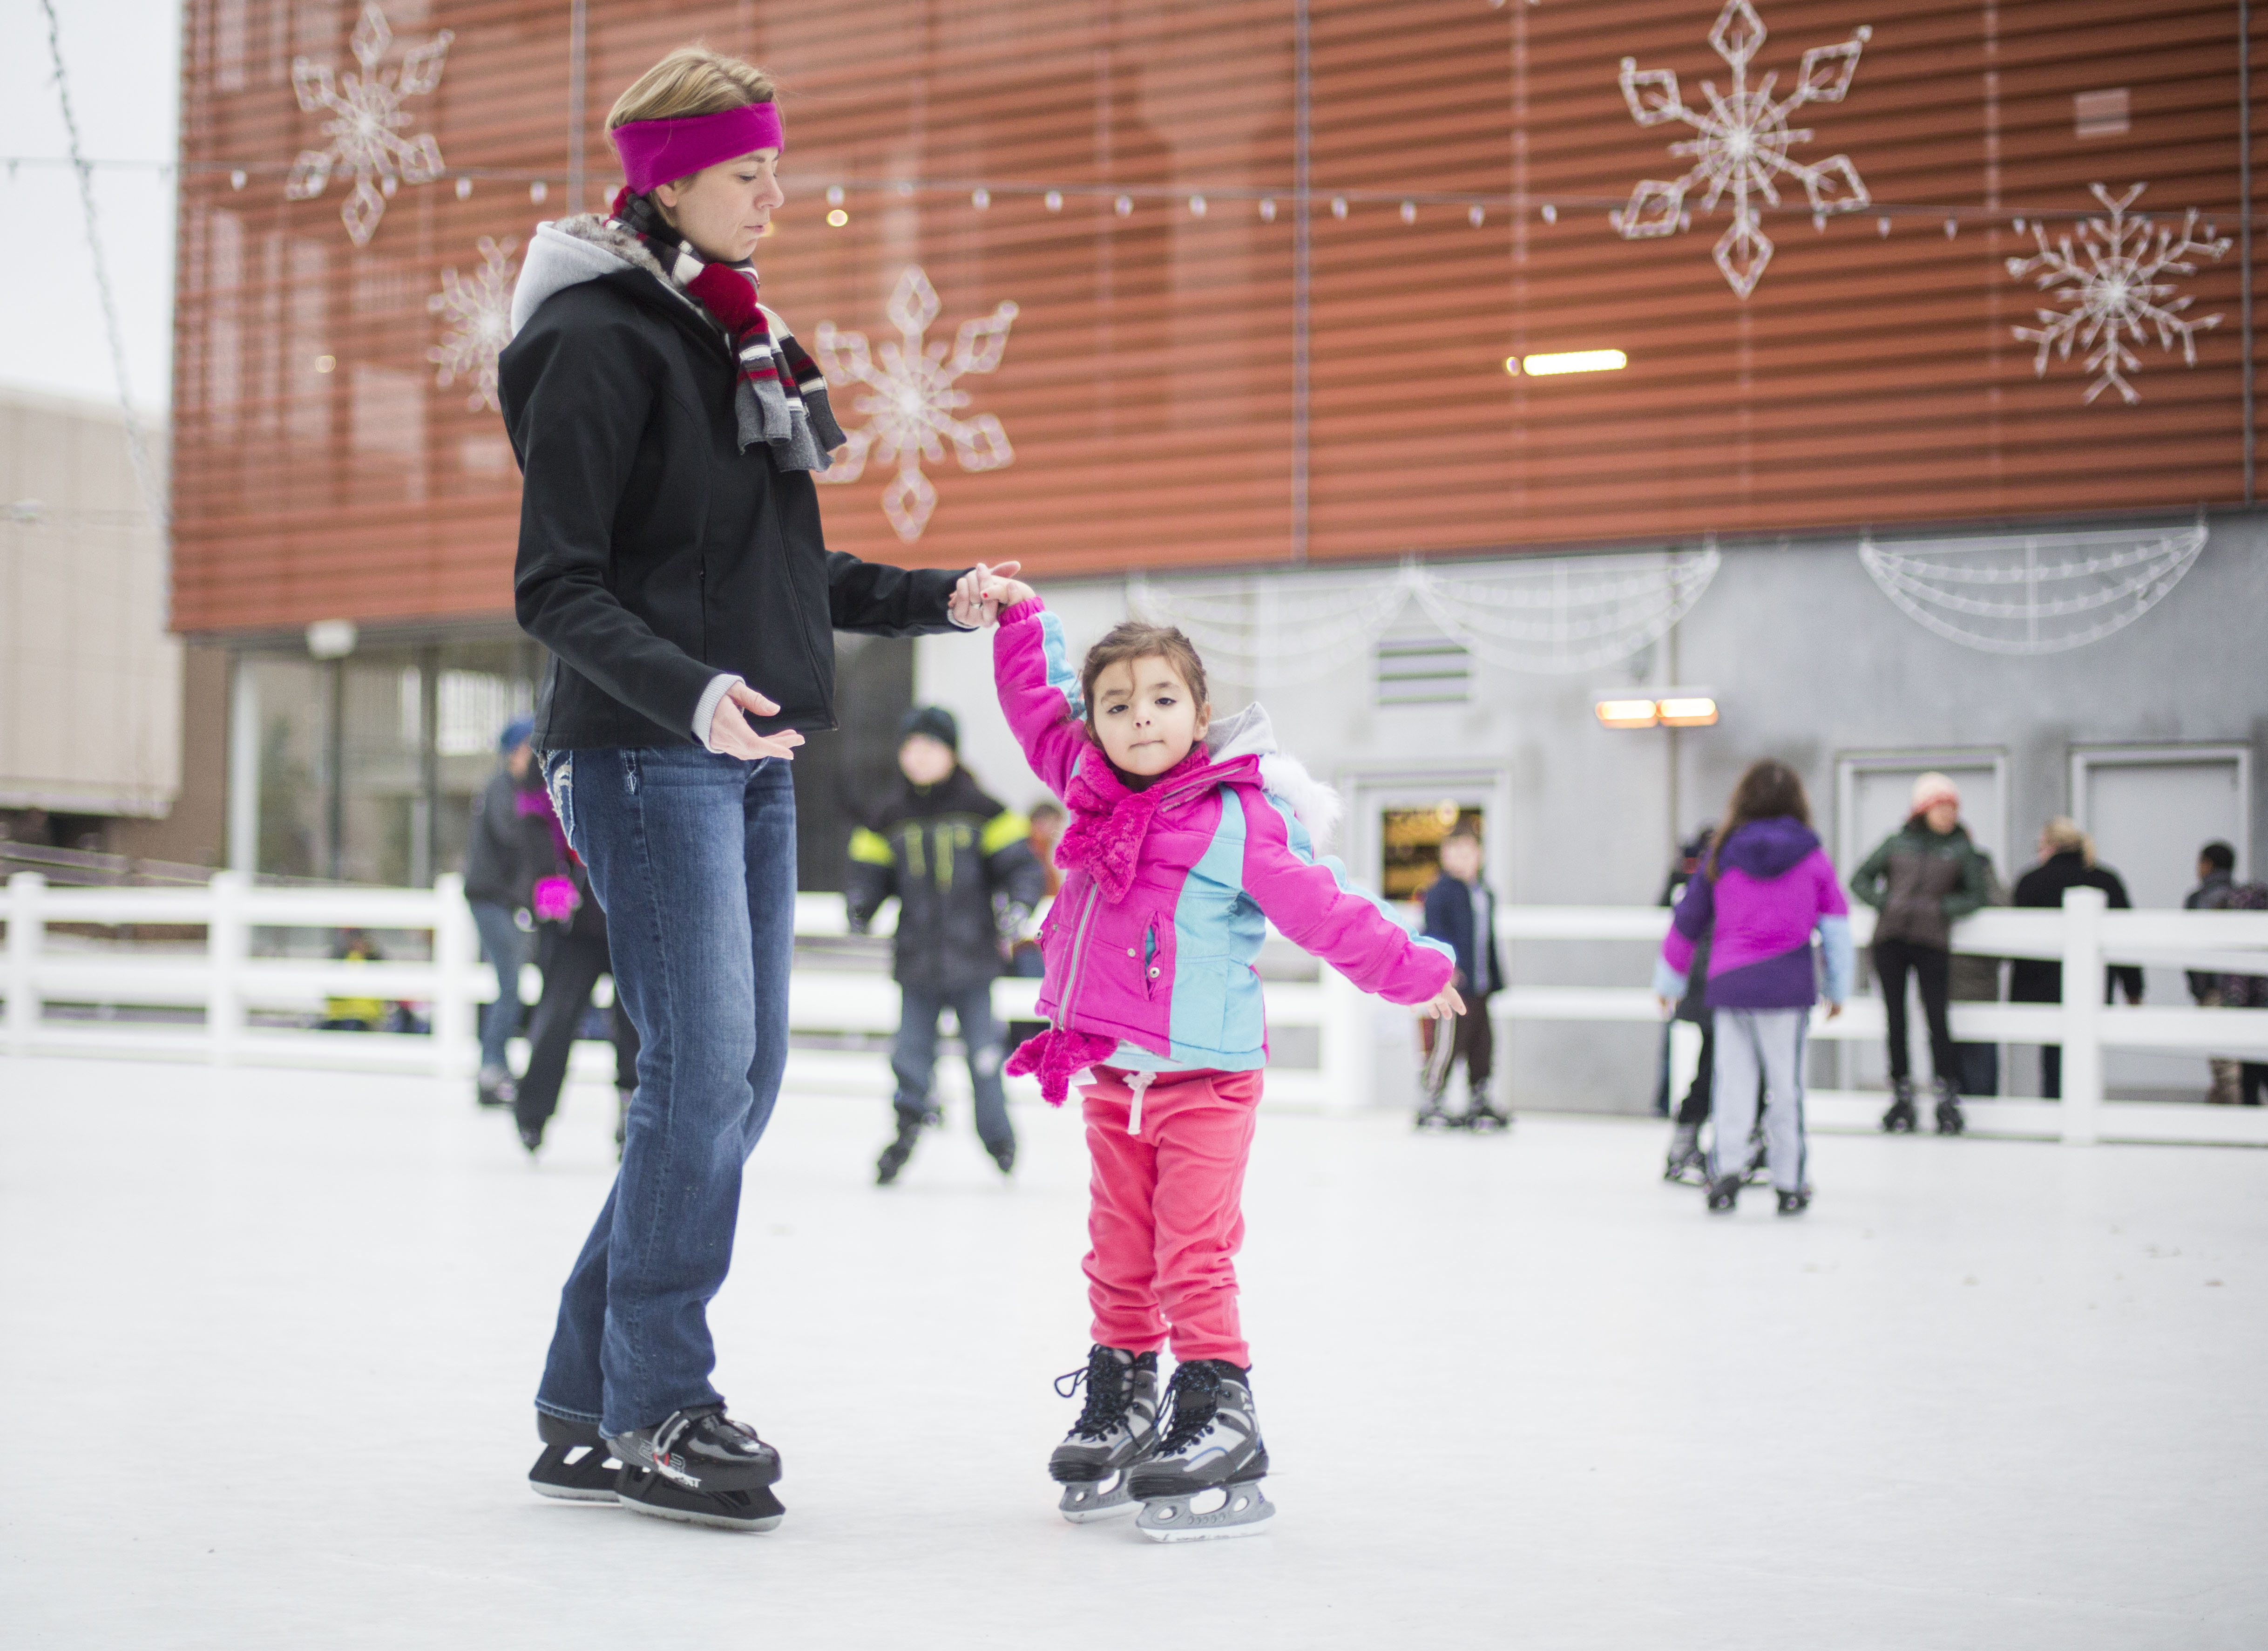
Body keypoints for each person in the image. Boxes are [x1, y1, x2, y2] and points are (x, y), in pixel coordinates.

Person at [499, 45, 1002, 1534]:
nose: (777, 193)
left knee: (739, 1083)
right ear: (666, 179)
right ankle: (657, 1402)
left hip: (750, 751)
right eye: (748, 170)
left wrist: (933, 597)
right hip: (648, 750)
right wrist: (691, 692)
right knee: (701, 1077)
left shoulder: (744, 341)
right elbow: (557, 587)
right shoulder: (596, 340)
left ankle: (585, 1396)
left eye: (779, 166)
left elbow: (784, 576)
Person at [983, 577, 1462, 1539]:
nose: (1138, 717)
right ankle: (1123, 1395)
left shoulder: (1231, 817)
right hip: (1115, 1074)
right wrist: (1019, 621)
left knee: (1191, 1252)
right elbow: (1038, 712)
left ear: (1200, 714)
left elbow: (1325, 910)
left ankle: (1221, 1411)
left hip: (1206, 1078)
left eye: (1161, 698)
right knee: (1118, 1252)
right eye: (1115, 704)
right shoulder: (1086, 788)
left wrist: (1411, 971)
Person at [846, 705, 1045, 1183]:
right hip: (916, 964)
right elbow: (866, 874)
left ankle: (997, 1136)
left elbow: (1023, 867)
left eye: (930, 747)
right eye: (910, 747)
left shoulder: (985, 810)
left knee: (984, 1055)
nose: (918, 757)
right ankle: (907, 1128)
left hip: (973, 962)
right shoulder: (887, 815)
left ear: (951, 753)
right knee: (909, 1056)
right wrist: (860, 905)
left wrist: (1018, 904)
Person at [1655, 760, 1851, 1216]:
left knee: (1732, 1082)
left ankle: (1724, 1174)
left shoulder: (1723, 852)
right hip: (1786, 984)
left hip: (1730, 983)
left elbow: (1688, 917)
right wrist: (1837, 988)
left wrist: (1669, 978)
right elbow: (1836, 927)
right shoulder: (1811, 854)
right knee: (1785, 1086)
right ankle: (1789, 1181)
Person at [1849, 773, 1990, 1135]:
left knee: (1936, 1017)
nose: (1947, 814)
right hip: (1891, 939)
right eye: (1940, 807)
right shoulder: (1897, 843)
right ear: (1923, 809)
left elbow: (1977, 894)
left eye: (1952, 807)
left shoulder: (1961, 849)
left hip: (1931, 941)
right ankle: (1901, 1090)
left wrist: (1943, 908)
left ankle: (1946, 1091)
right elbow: (1860, 879)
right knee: (1895, 1019)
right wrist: (1886, 903)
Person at [510, 783, 640, 1156]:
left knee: (634, 1022)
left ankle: (633, 1111)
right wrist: (547, 879)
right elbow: (534, 817)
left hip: (630, 917)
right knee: (557, 1018)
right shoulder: (559, 766)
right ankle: (532, 1112)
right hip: (575, 922)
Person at [2010, 819, 2143, 1099]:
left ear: (2050, 846)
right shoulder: (2105, 880)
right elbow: (2125, 941)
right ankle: (2083, 1112)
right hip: (2092, 986)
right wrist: (2133, 988)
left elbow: (2017, 945)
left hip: (2043, 991)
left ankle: (2055, 1114)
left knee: (2052, 1060)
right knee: (2086, 1056)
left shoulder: (2031, 881)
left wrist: (2018, 993)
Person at [463, 715, 549, 1107]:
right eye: (528, 749)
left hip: (500, 900)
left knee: (512, 983)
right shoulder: (503, 789)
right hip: (489, 899)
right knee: (510, 984)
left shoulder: (511, 788)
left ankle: (495, 1067)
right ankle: (492, 1069)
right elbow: (514, 835)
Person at [1417, 816, 1508, 1130]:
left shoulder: (1484, 894)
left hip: (1481, 984)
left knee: (1483, 1043)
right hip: (1455, 985)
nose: (1461, 859)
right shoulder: (1440, 892)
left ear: (1479, 854)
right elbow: (1434, 932)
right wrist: (1444, 970)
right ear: (1445, 855)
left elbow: (1487, 938)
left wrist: (1496, 976)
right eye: (1454, 852)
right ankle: (1431, 1097)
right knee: (1448, 1041)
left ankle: (1479, 1096)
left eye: (1468, 852)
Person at [2186, 842, 2247, 1106]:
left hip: (2213, 988)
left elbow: (2192, 947)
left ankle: (2235, 1122)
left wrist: (2198, 987)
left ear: (2208, 864)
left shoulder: (2199, 898)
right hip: (2241, 987)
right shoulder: (2243, 897)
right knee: (2231, 1057)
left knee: (2224, 1062)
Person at [1946, 854, 2009, 1099]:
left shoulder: (1978, 869)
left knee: (1977, 1060)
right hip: (1953, 979)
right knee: (1958, 1060)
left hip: (1974, 981)